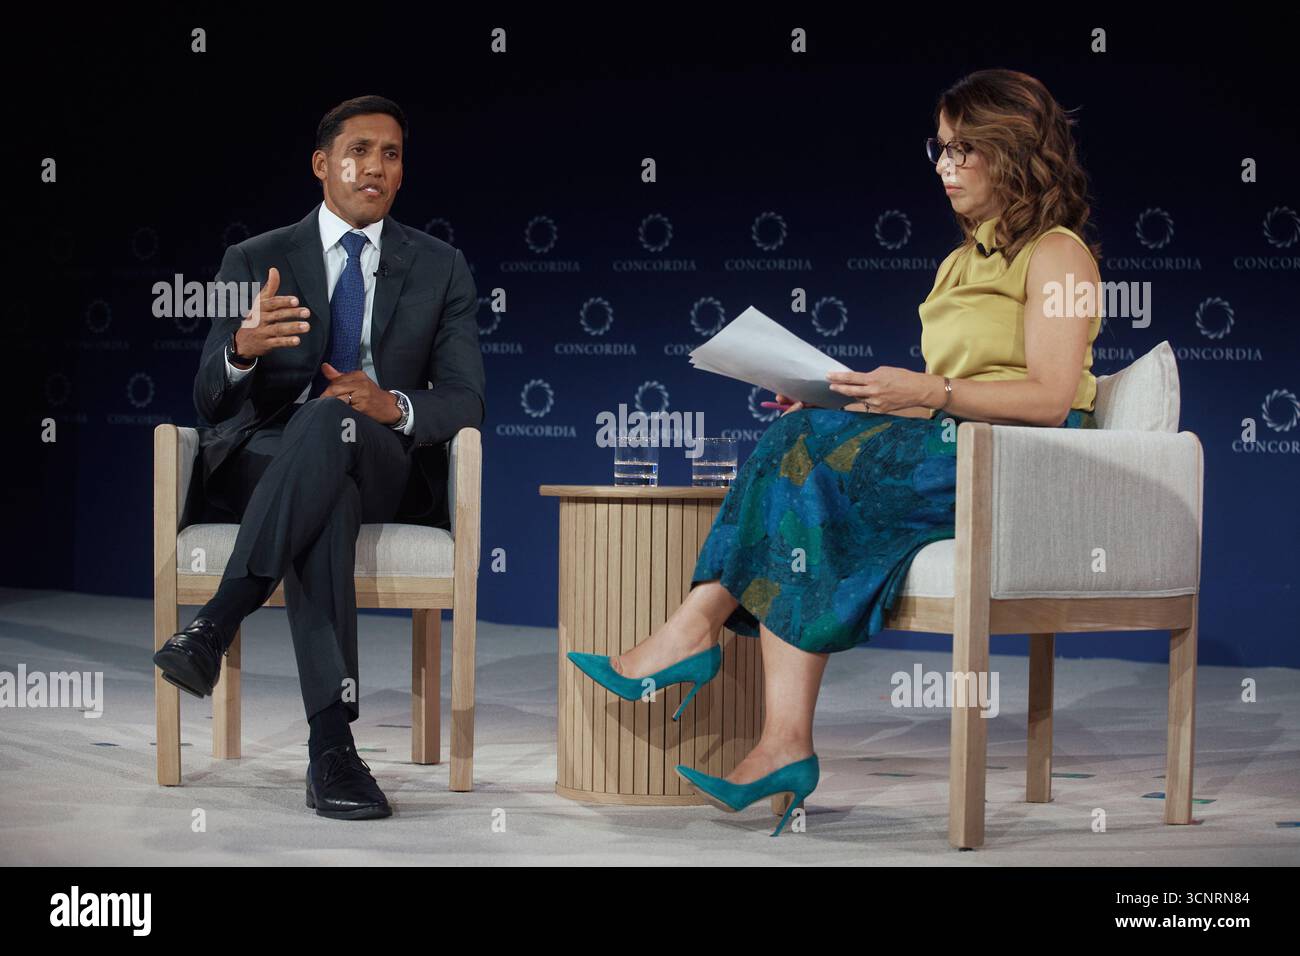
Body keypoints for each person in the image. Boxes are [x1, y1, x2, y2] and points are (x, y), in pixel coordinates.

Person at [568, 69, 1103, 836]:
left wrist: (930, 394)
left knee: (800, 454)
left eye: (964, 151)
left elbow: (1051, 398)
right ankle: (776, 735)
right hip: (954, 444)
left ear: (1015, 154)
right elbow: (939, 389)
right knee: (797, 454)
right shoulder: (961, 262)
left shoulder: (1061, 257)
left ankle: (693, 635)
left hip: (1020, 463)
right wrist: (841, 400)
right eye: (941, 150)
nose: (946, 167)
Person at [153, 95, 486, 820]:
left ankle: (217, 619)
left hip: (384, 465)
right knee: (323, 480)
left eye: (392, 154)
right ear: (322, 164)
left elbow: (466, 402)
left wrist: (391, 404)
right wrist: (240, 351)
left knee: (339, 421)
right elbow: (208, 402)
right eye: (359, 149)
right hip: (263, 464)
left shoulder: (439, 266)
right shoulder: (255, 259)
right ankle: (332, 748)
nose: (376, 166)